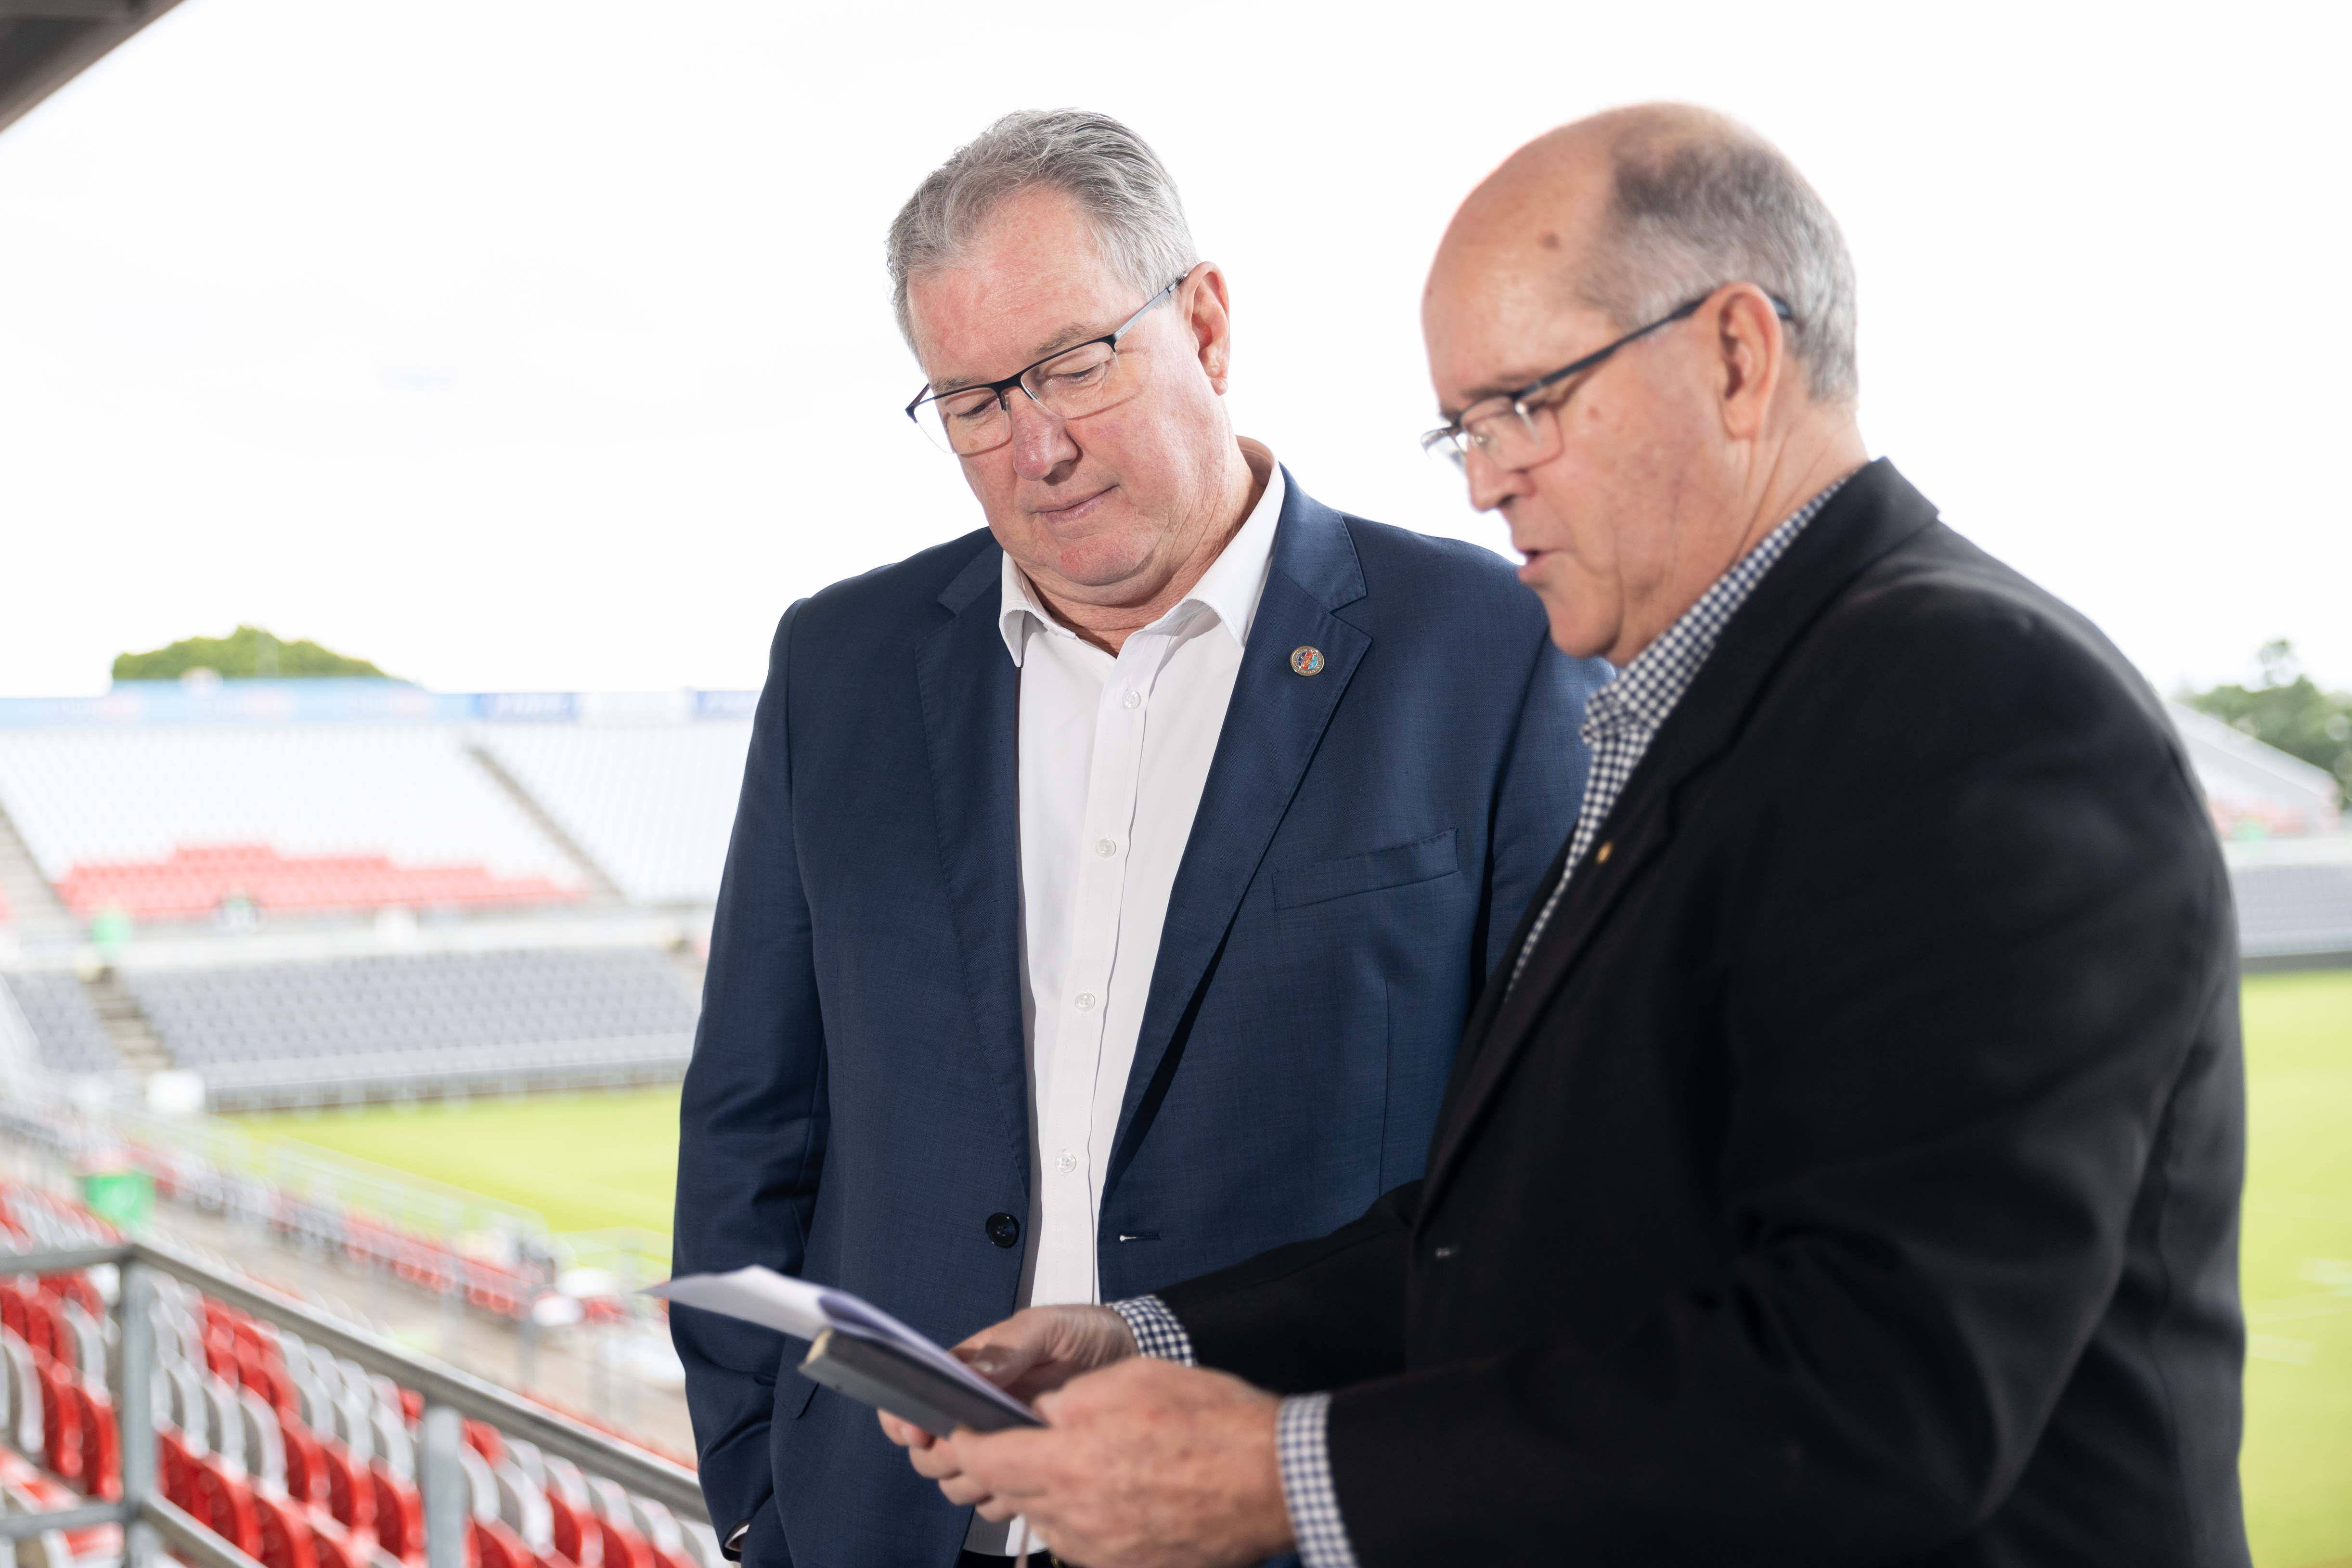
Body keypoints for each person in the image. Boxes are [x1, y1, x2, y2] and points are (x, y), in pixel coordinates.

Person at [887, 104, 2249, 1568]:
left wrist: (1284, 1473)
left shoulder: (1972, 706)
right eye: (1463, 425)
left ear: (1739, 354)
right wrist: (1146, 1333)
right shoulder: (1700, 701)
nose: (1482, 479)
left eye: (1528, 403)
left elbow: (1881, 1389)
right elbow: (1515, 1237)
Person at [670, 109, 1606, 1568]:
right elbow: (751, 1121)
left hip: (1284, 1531)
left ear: (1207, 323)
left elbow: (1557, 1179)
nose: (1036, 445)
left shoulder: (1493, 653)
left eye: (1073, 364)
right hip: (891, 1532)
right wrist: (761, 1496)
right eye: (973, 400)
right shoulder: (837, 667)